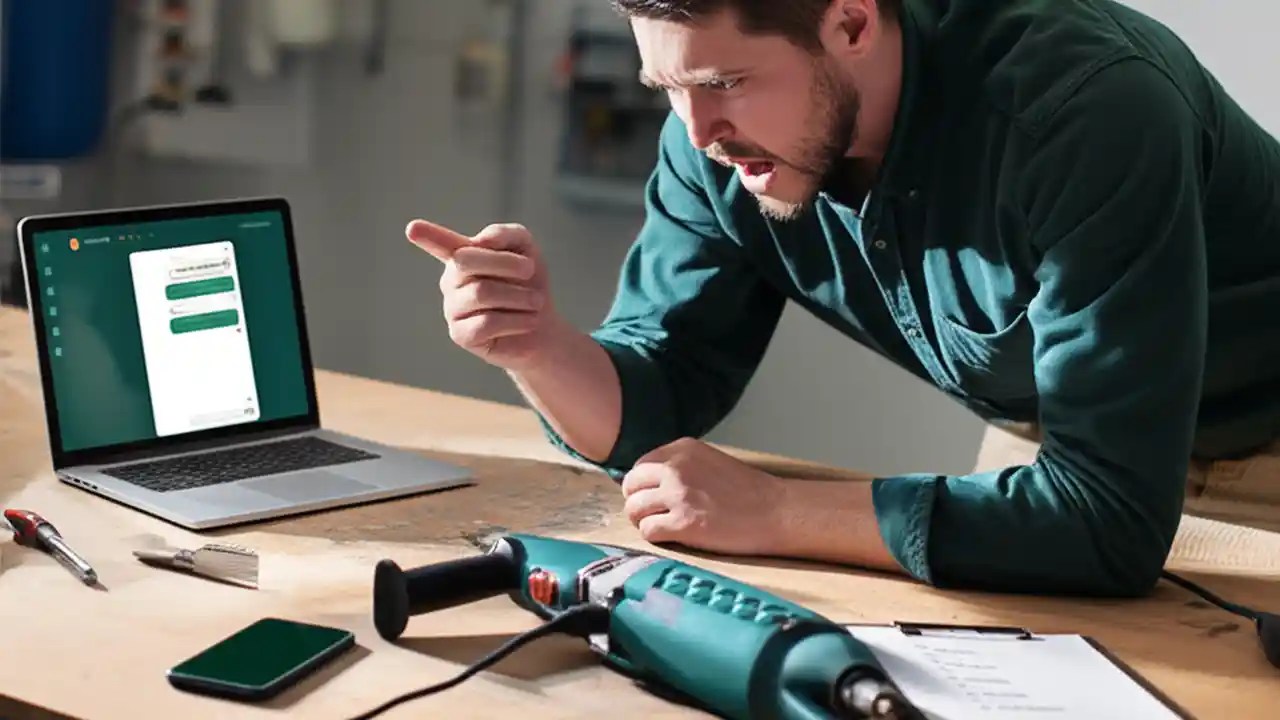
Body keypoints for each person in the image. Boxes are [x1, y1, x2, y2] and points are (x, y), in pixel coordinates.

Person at [406, 0, 1280, 598]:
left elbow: (1108, 525)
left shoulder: (1087, 107)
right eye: (668, 88)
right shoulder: (717, 145)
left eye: (724, 82)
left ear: (852, 21)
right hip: (1060, 455)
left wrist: (776, 511)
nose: (697, 133)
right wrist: (536, 345)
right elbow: (655, 406)